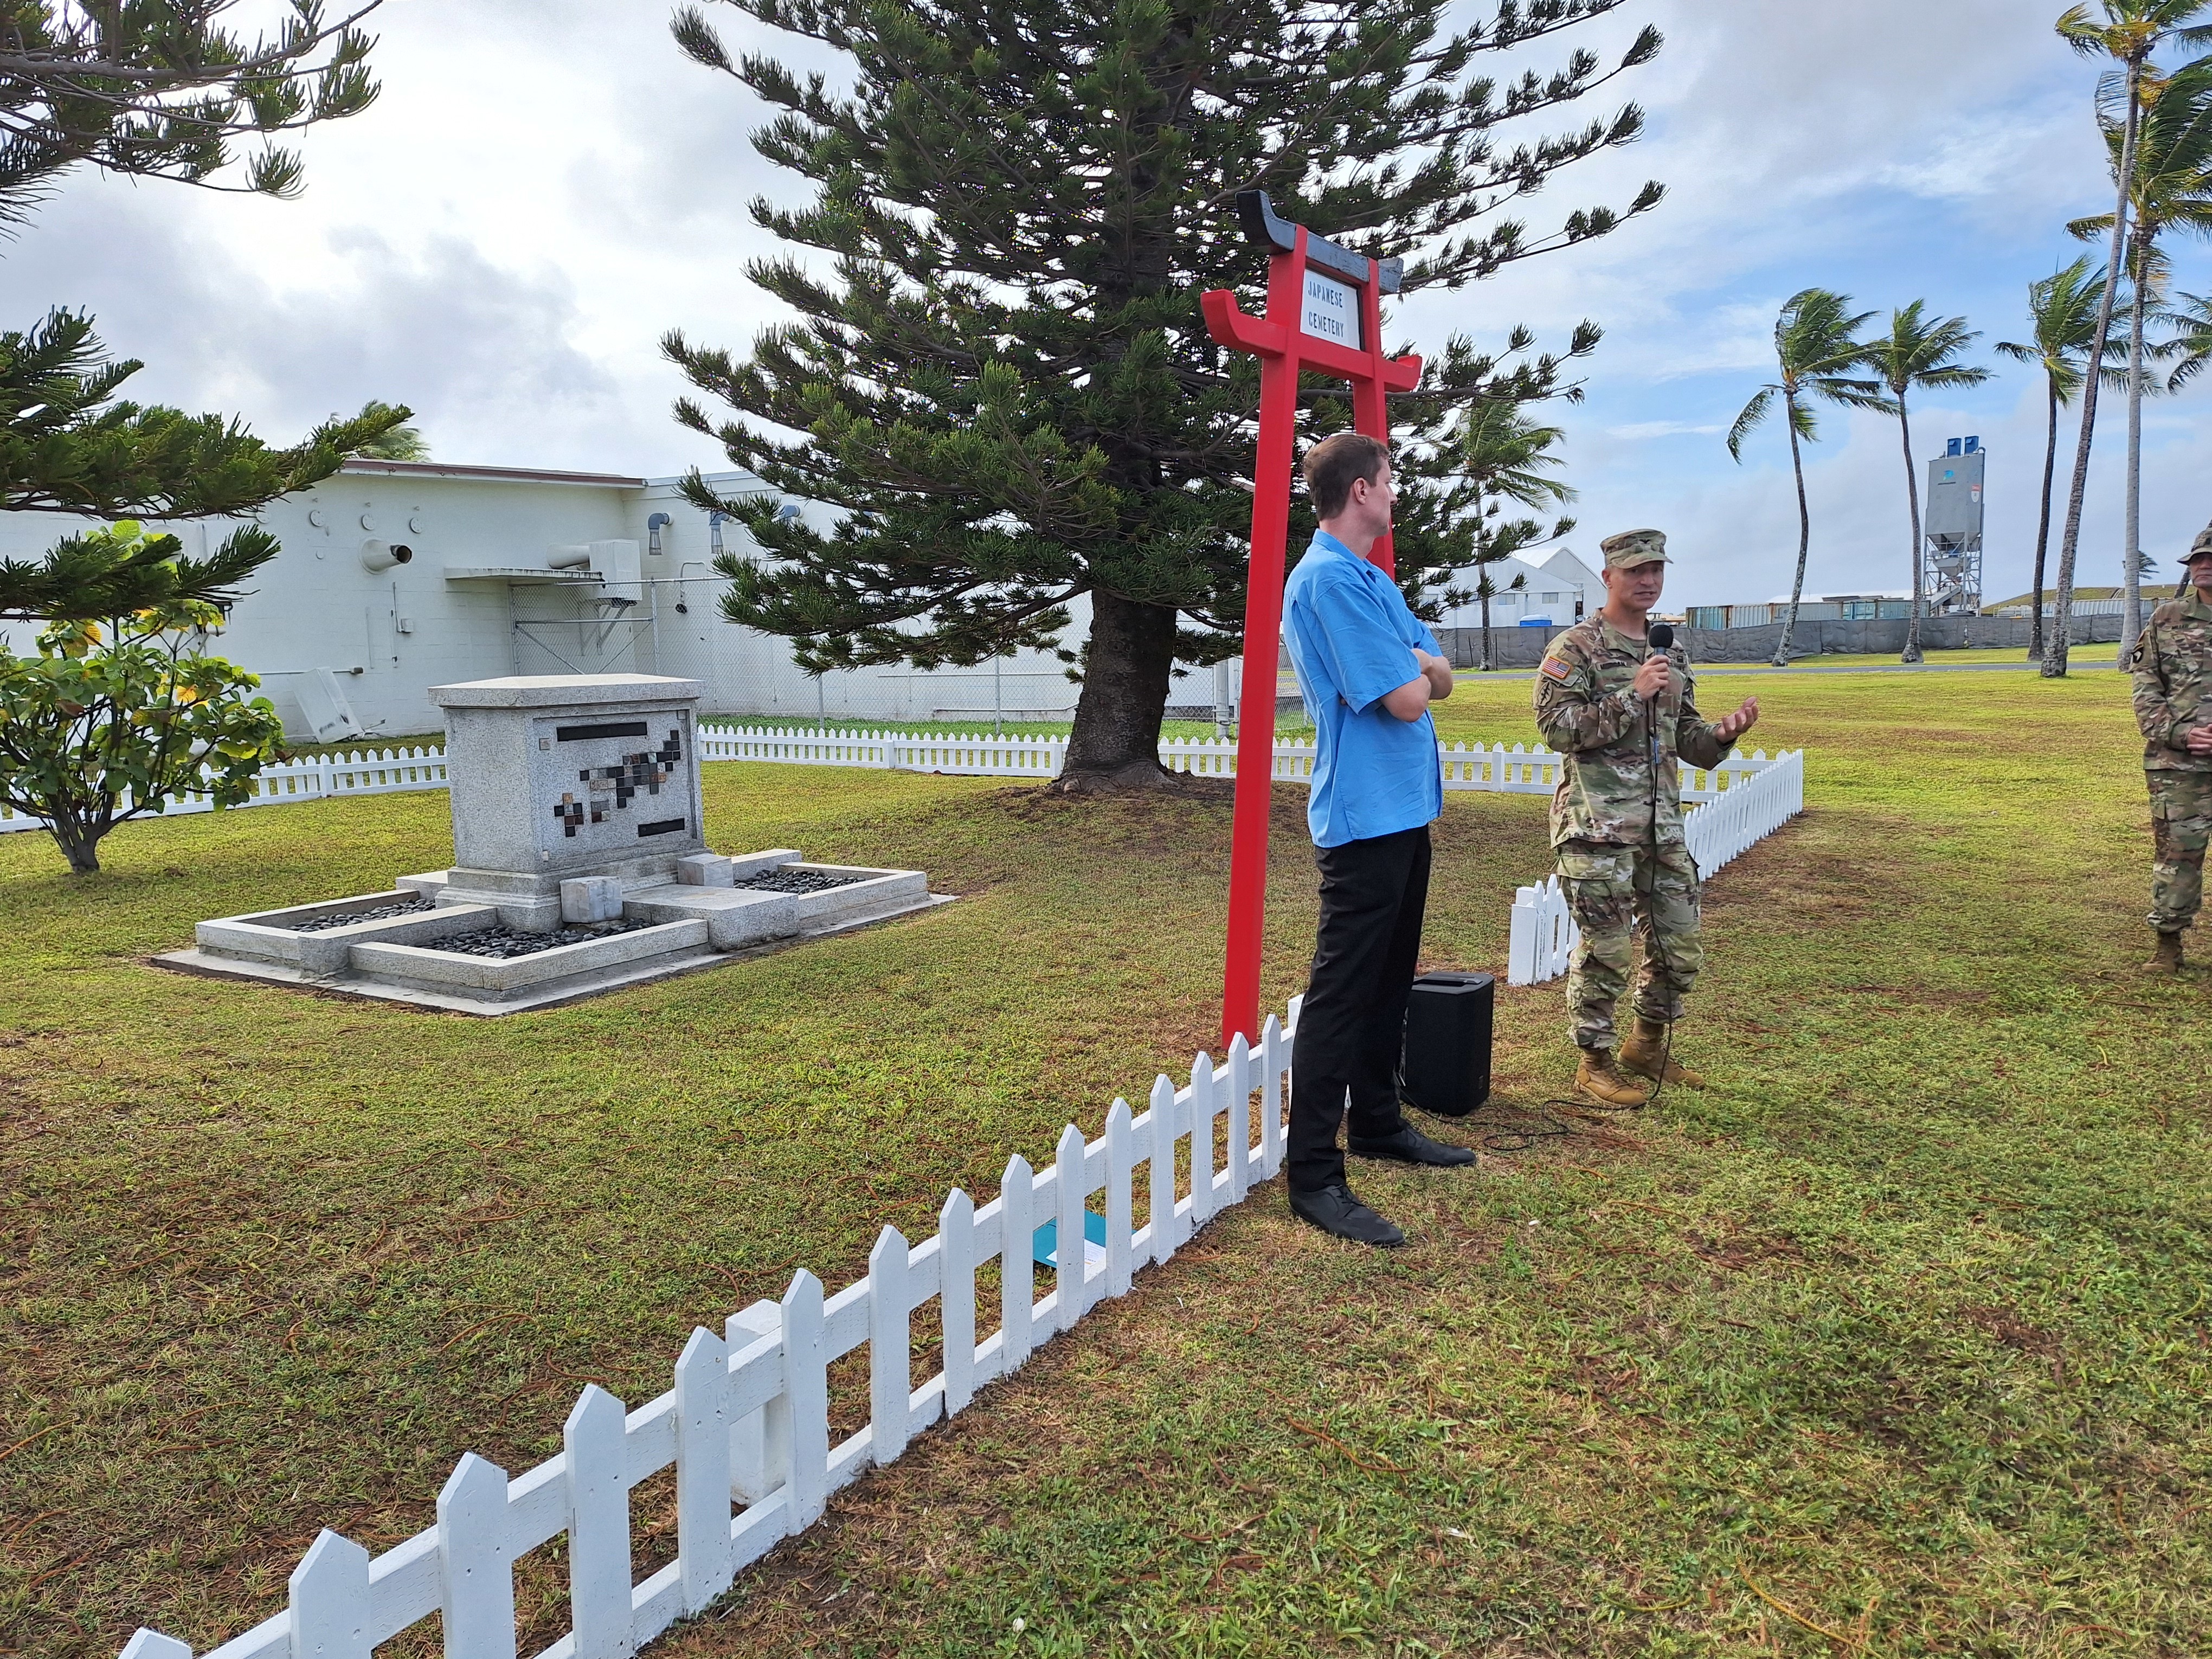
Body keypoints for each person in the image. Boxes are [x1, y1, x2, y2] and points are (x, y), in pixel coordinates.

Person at [1279, 432, 1475, 1248]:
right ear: (1361, 490)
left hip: (1402, 809)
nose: (1395, 493)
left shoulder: (1371, 580)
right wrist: (1418, 671)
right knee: (1342, 993)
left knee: (1391, 980)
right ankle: (1314, 1176)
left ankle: (1381, 1124)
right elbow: (1405, 696)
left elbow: (1443, 673)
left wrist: (1419, 671)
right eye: (1389, 480)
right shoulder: (1329, 581)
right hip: (1363, 818)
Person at [1532, 530, 1759, 1106]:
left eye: (1656, 569)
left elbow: (1688, 739)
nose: (1649, 580)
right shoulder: (1575, 648)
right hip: (1598, 828)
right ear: (1608, 577)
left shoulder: (1670, 653)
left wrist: (1722, 736)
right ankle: (1594, 1063)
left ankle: (1647, 1044)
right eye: (1636, 570)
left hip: (1662, 829)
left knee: (1679, 947)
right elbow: (1559, 730)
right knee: (1606, 951)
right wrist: (1631, 696)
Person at [2129, 524, 2212, 973]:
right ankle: (2168, 946)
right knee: (2177, 857)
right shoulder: (2167, 619)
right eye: (2197, 558)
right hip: (2179, 766)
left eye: (2211, 557)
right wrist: (2179, 734)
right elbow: (2145, 686)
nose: (2203, 565)